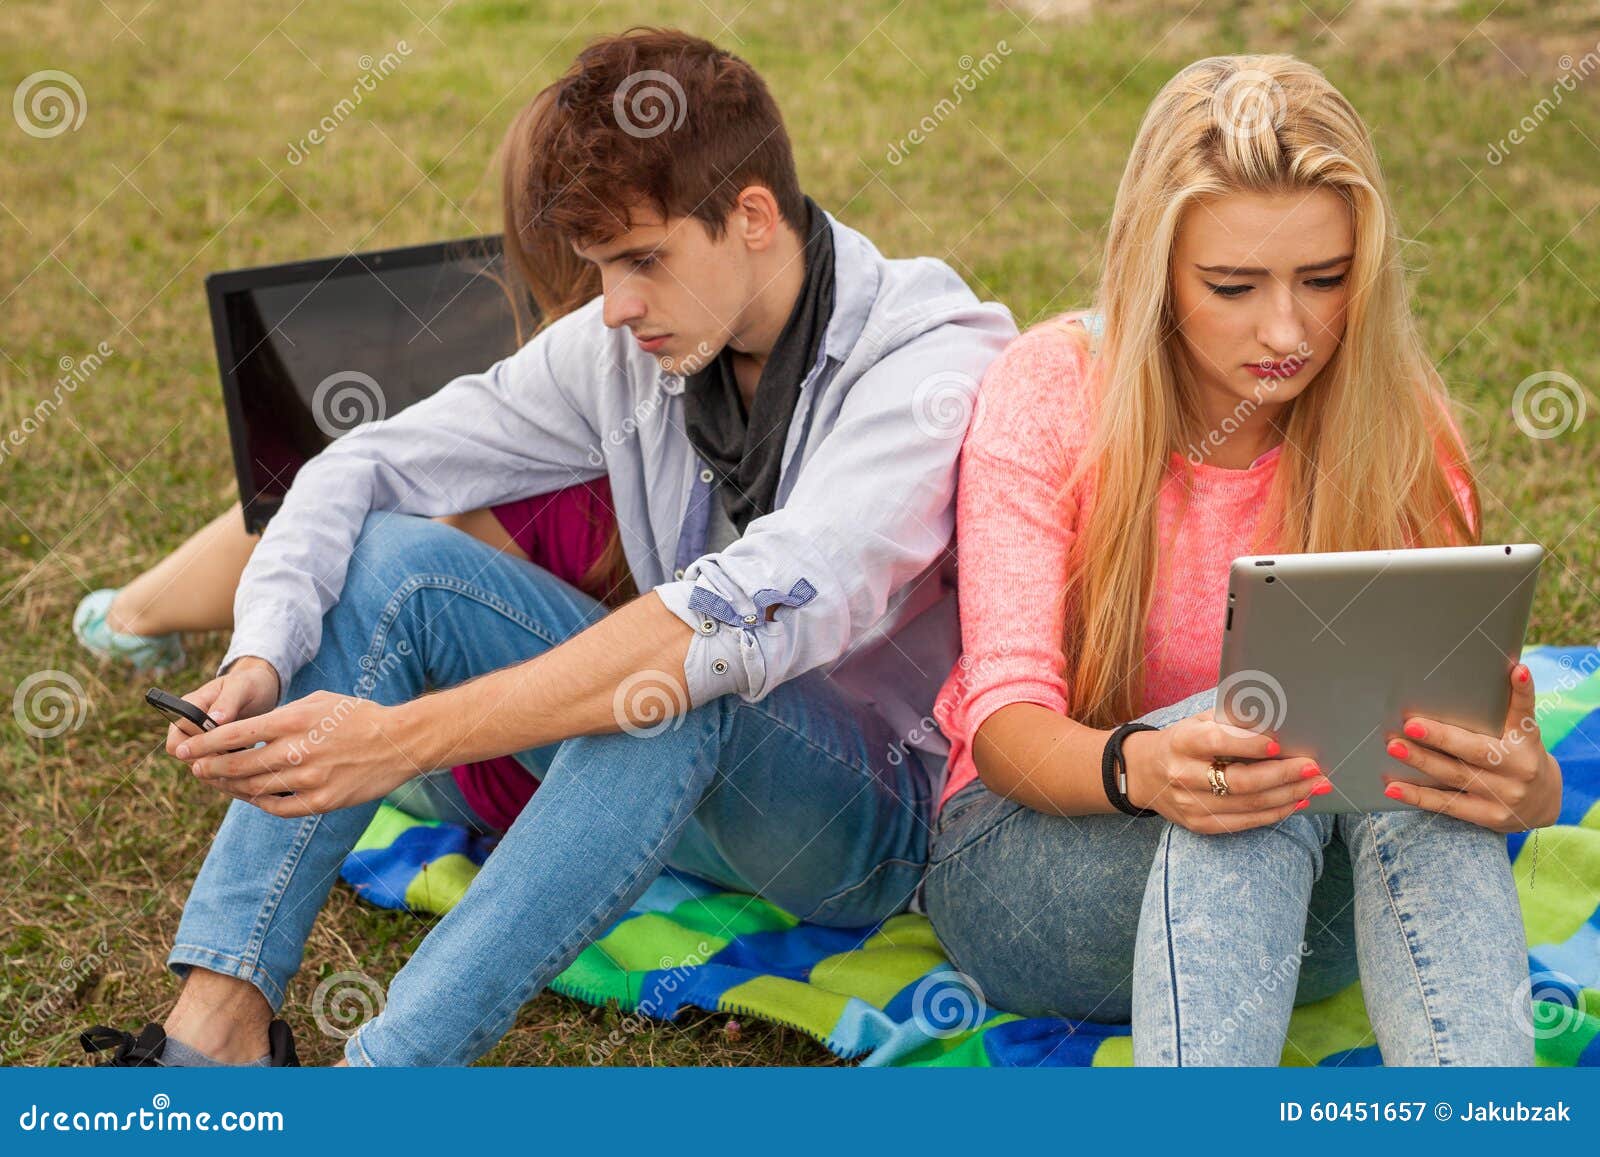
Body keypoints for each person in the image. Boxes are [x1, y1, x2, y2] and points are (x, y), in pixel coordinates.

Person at [79, 27, 1015, 1068]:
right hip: (673, 761)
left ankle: (387, 1078)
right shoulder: (635, 340)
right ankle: (215, 1026)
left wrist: (400, 741)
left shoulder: (933, 363)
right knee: (396, 560)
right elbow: (364, 464)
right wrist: (263, 645)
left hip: (863, 824)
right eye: (602, 266)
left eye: (643, 261)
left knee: (671, 680)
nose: (614, 305)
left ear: (752, 216)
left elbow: (733, 620)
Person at [923, 54, 1562, 1067]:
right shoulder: (1051, 392)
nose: (1286, 329)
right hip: (1042, 863)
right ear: (1156, 270)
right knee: (1259, 742)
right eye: (1232, 285)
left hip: (1309, 911)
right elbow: (1005, 728)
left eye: (1325, 279)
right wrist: (1144, 765)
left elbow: (1448, 736)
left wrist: (1521, 790)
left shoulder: (1400, 421)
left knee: (1380, 762)